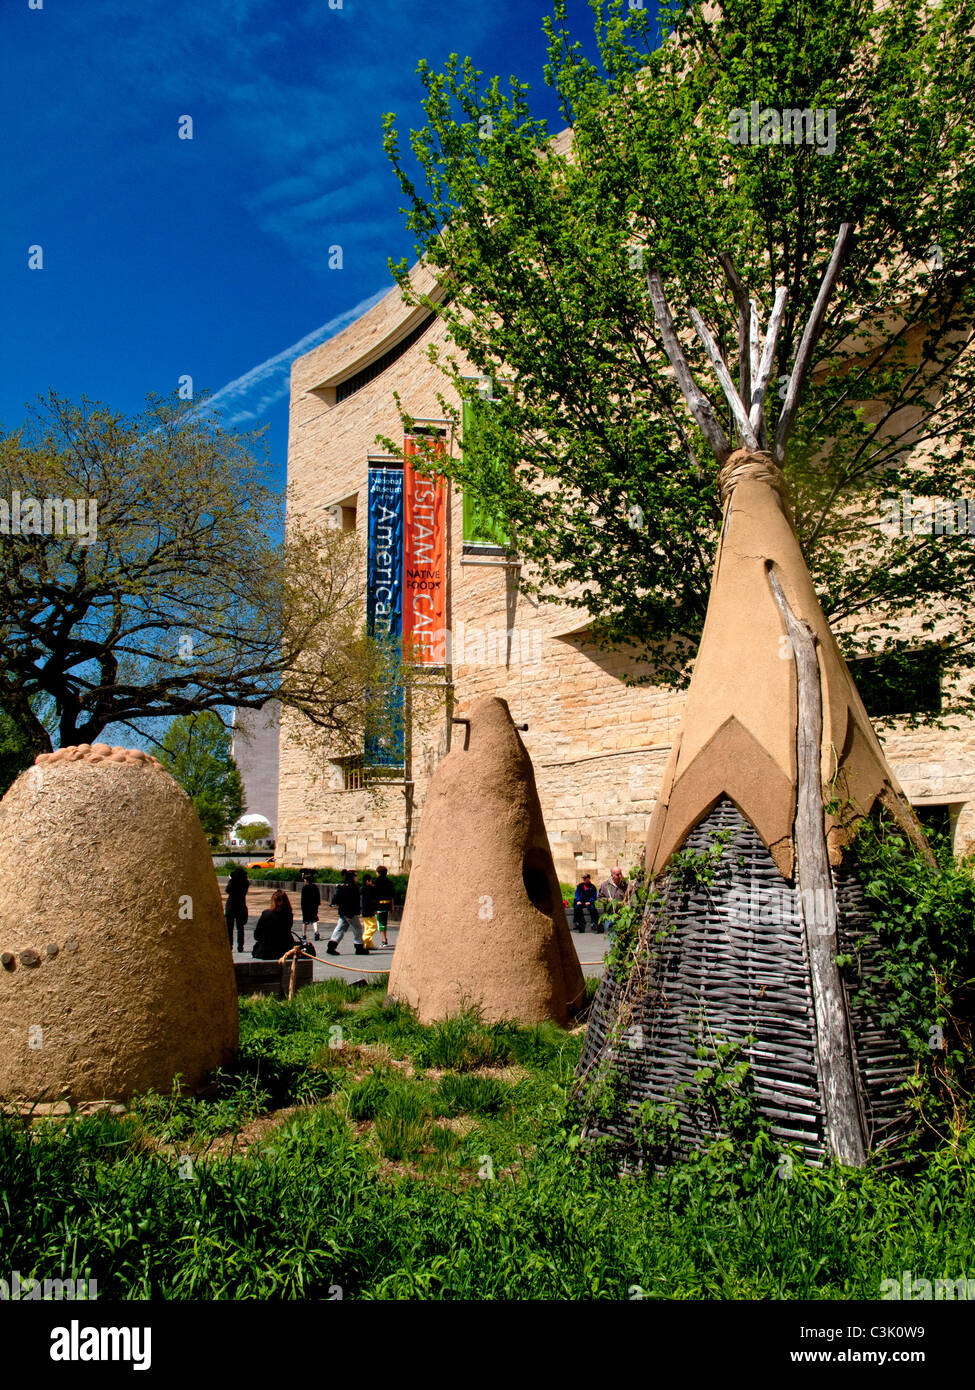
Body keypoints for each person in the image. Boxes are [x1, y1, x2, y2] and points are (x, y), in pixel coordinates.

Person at [327, 869, 367, 956]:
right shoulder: (352, 887)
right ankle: (359, 947)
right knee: (358, 929)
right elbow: (352, 902)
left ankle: (331, 946)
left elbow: (337, 899)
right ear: (352, 877)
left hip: (343, 911)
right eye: (356, 876)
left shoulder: (342, 886)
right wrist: (354, 912)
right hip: (350, 912)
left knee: (340, 928)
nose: (357, 877)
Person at [251, 889, 296, 960]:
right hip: (284, 950)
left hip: (267, 951)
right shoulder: (289, 915)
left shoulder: (266, 914)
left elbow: (257, 935)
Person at [597, 866, 628, 936]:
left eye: (621, 874)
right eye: (617, 875)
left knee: (622, 938)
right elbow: (599, 898)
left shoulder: (626, 885)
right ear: (612, 875)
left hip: (622, 916)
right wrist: (607, 900)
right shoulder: (605, 885)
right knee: (612, 939)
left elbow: (631, 898)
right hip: (610, 916)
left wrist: (625, 906)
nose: (620, 876)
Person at [225, 866, 249, 952]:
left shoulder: (233, 882)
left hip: (231, 906)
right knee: (240, 928)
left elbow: (227, 890)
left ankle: (230, 945)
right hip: (241, 906)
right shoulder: (245, 883)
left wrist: (231, 880)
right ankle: (240, 946)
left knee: (229, 928)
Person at [374, 864, 396, 947]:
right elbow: (392, 895)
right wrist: (392, 906)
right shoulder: (389, 882)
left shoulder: (376, 882)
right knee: (384, 922)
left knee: (380, 923)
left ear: (378, 873)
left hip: (379, 905)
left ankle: (384, 940)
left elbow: (374, 895)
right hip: (387, 904)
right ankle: (384, 939)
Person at [299, 868, 322, 942]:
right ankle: (316, 932)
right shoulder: (315, 887)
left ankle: (304, 934)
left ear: (306, 880)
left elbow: (303, 899)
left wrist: (302, 906)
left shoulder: (304, 888)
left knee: (305, 920)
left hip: (306, 906)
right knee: (314, 919)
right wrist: (318, 904)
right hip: (314, 906)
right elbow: (318, 897)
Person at [360, 873, 379, 950]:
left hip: (365, 911)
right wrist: (374, 910)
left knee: (367, 928)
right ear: (367, 881)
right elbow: (371, 901)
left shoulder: (364, 888)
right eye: (371, 881)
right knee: (373, 927)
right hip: (369, 912)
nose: (372, 882)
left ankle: (368, 944)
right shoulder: (369, 889)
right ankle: (362, 940)